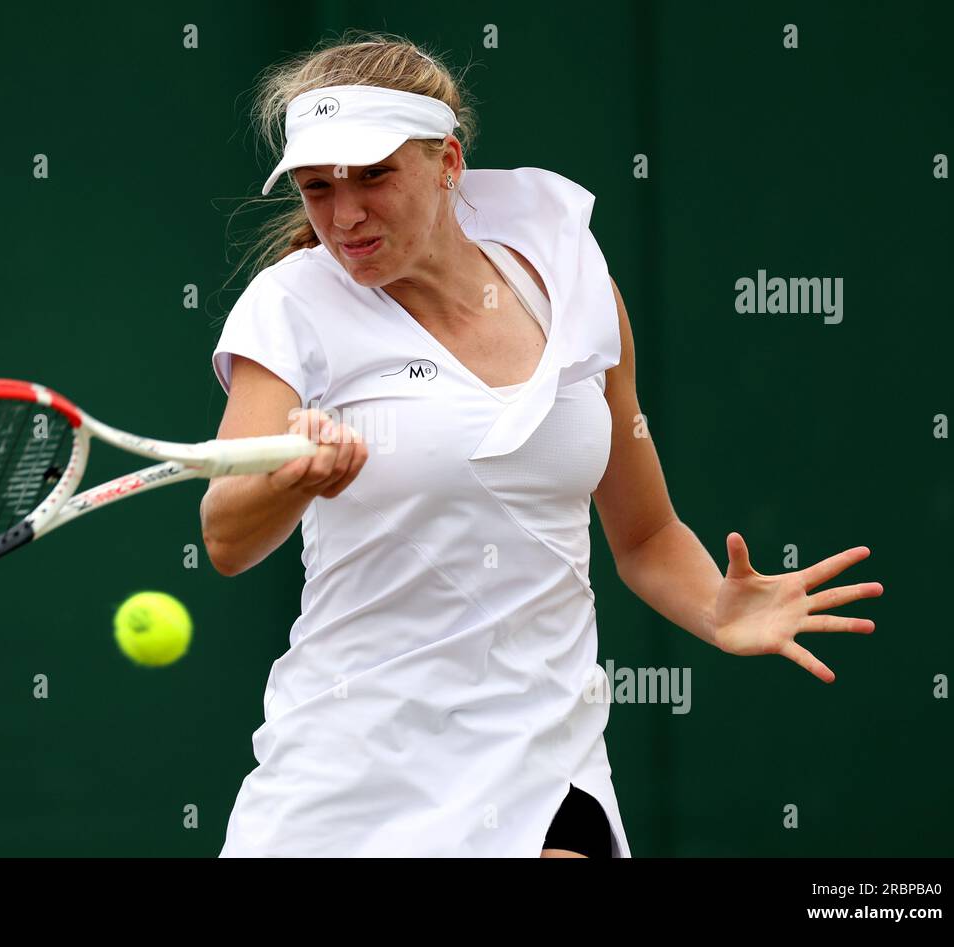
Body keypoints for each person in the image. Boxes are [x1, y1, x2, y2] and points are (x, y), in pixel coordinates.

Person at [201, 35, 883, 857]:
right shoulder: (289, 306)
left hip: (543, 762)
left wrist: (716, 605)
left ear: (448, 160)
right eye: (318, 187)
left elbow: (645, 533)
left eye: (374, 176)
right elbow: (225, 535)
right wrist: (293, 480)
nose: (344, 215)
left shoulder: (572, 282)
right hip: (348, 768)